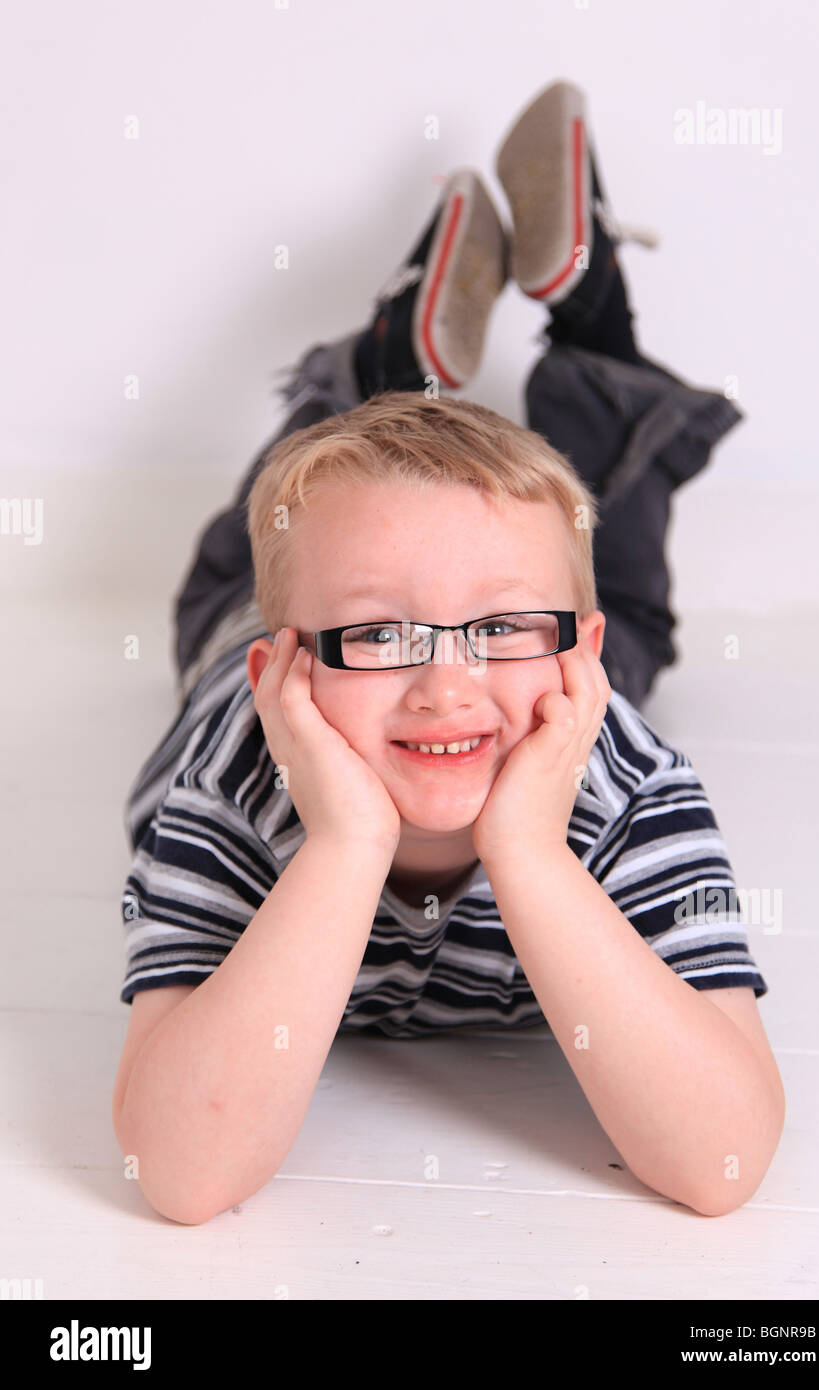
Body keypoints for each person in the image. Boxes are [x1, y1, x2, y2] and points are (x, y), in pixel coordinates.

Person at [113, 81, 783, 1225]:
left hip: (509, 676)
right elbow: (180, 1173)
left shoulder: (622, 783)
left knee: (573, 558)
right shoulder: (233, 786)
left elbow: (722, 1164)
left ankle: (412, 339)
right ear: (283, 682)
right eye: (374, 633)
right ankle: (506, 341)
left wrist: (526, 850)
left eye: (502, 631)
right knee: (287, 526)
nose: (445, 681)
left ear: (583, 667)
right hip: (260, 624)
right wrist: (343, 843)